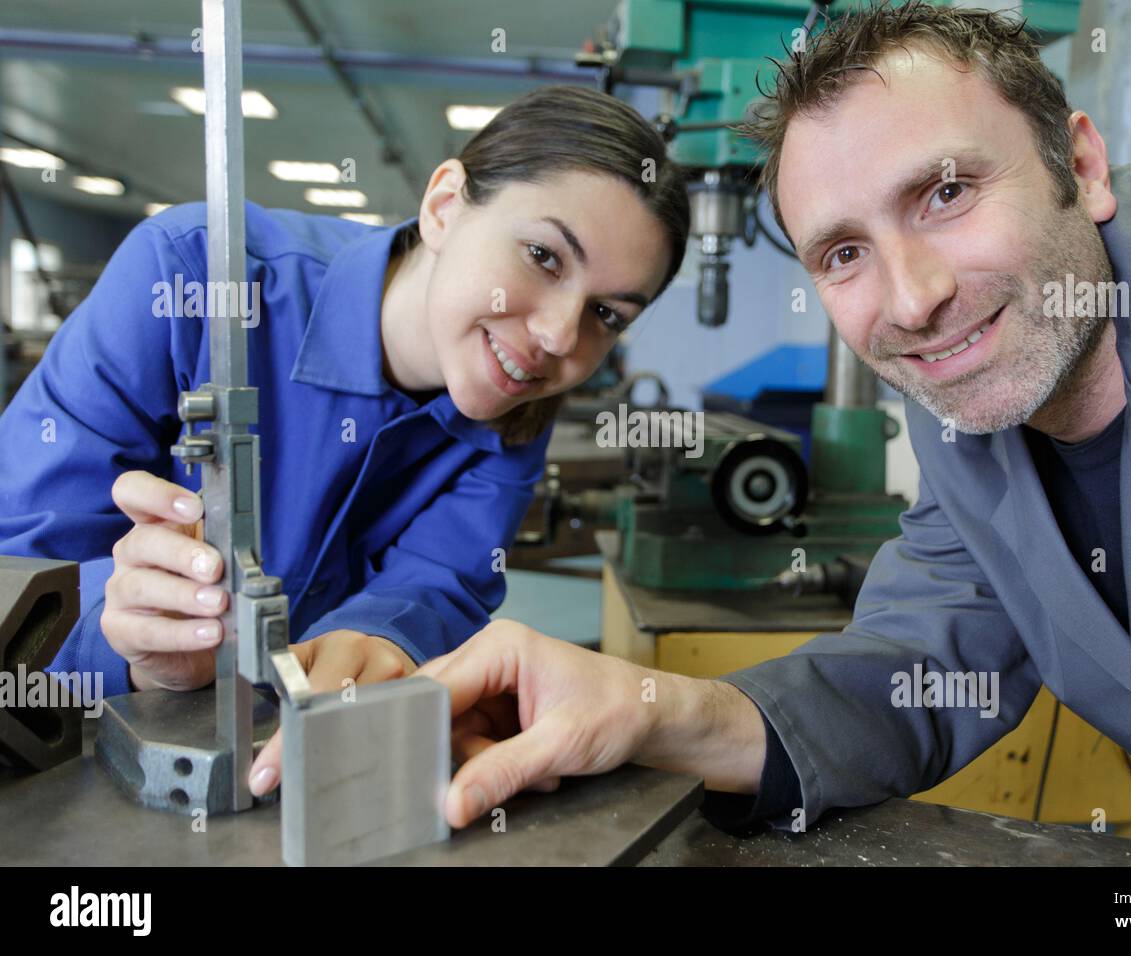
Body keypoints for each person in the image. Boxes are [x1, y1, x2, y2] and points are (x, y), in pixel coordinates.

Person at [291, 2, 1131, 863]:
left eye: (946, 193)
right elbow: (911, 669)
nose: (912, 299)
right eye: (844, 251)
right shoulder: (968, 400)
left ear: (1079, 164)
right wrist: (648, 705)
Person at [0, 85, 688, 795]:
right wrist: (131, 644)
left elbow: (440, 581)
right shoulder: (192, 273)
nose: (557, 337)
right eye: (543, 256)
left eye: (606, 312)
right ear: (445, 205)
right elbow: (12, 572)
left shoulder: (515, 410)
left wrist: (380, 641)